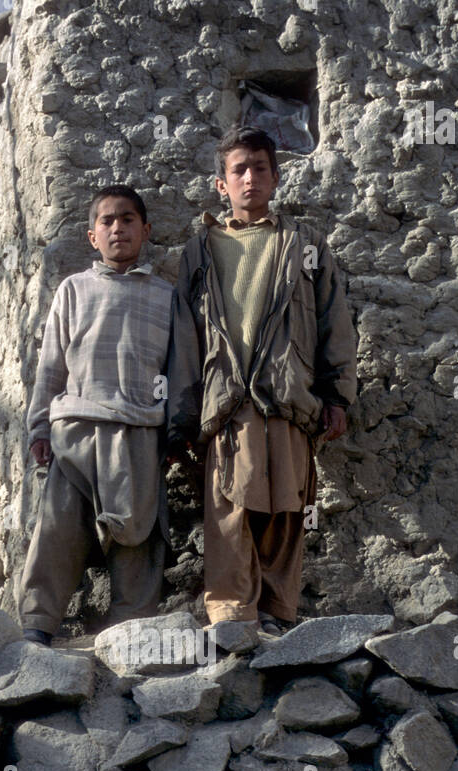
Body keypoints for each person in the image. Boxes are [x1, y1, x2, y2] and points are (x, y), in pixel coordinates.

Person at [165, 126, 357, 635]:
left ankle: (277, 614)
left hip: (289, 395)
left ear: (276, 176)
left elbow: (335, 323)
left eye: (260, 168)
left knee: (288, 506)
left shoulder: (304, 243)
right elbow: (185, 338)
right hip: (227, 398)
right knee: (230, 508)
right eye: (239, 169)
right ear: (221, 184)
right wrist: (182, 415)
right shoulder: (201, 250)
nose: (250, 177)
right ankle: (231, 614)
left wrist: (337, 396)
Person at [19, 186, 173, 646]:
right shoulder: (73, 290)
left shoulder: (167, 296)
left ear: (145, 230)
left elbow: (181, 369)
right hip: (75, 429)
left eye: (128, 219)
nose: (117, 228)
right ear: (92, 236)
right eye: (106, 221)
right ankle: (38, 623)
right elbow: (49, 368)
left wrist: (180, 427)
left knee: (137, 532)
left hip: (141, 428)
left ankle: (130, 628)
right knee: (58, 525)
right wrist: (39, 427)